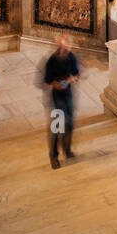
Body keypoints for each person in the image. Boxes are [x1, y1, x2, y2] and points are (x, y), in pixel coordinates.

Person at [43, 34, 80, 168]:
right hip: (56, 96)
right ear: (58, 48)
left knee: (69, 123)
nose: (64, 50)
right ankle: (53, 156)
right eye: (62, 48)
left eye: (66, 48)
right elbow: (46, 81)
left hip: (68, 93)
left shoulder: (71, 57)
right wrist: (55, 84)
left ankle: (67, 149)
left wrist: (72, 79)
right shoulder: (52, 61)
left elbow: (76, 74)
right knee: (56, 126)